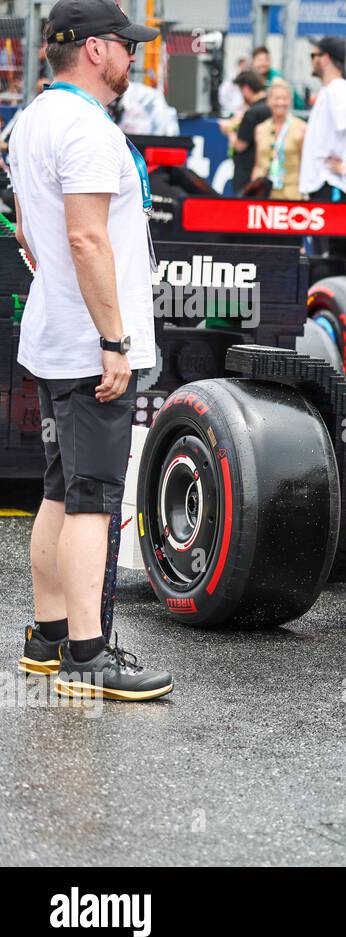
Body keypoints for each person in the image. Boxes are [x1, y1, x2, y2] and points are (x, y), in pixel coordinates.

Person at [9, 0, 172, 700]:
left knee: (60, 489)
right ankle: (86, 654)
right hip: (87, 344)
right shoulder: (87, 129)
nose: (134, 58)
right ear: (97, 51)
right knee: (93, 501)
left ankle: (48, 639)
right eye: (127, 46)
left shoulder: (32, 119)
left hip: (55, 338)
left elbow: (27, 234)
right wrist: (114, 340)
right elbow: (83, 238)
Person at [300, 36, 346, 203]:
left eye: (313, 55)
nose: (311, 61)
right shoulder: (330, 90)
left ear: (325, 58)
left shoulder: (337, 88)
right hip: (323, 187)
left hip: (330, 187)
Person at [251, 78, 307, 199]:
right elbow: (258, 164)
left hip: (292, 194)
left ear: (290, 101)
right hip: (265, 194)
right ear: (269, 101)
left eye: (284, 99)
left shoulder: (301, 128)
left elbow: (306, 164)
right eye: (276, 98)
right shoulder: (260, 129)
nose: (280, 103)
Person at [227, 70, 269, 195]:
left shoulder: (252, 113)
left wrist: (229, 131)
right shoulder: (269, 107)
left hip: (247, 178)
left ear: (245, 89)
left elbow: (240, 145)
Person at [251, 43, 304, 110]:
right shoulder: (250, 77)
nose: (263, 64)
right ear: (253, 62)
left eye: (266, 60)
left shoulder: (277, 77)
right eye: (260, 60)